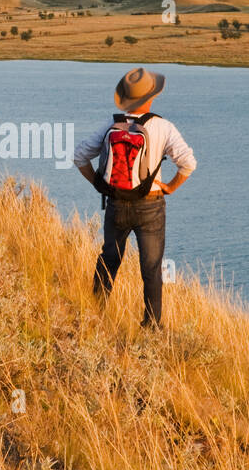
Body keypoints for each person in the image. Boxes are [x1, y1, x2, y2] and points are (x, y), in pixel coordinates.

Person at [73, 67, 196, 327]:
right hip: (150, 205)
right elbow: (188, 163)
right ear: (151, 97)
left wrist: (98, 184)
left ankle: (94, 316)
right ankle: (151, 326)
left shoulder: (112, 124)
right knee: (151, 269)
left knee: (109, 259)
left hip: (116, 203)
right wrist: (170, 187)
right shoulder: (163, 126)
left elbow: (79, 156)